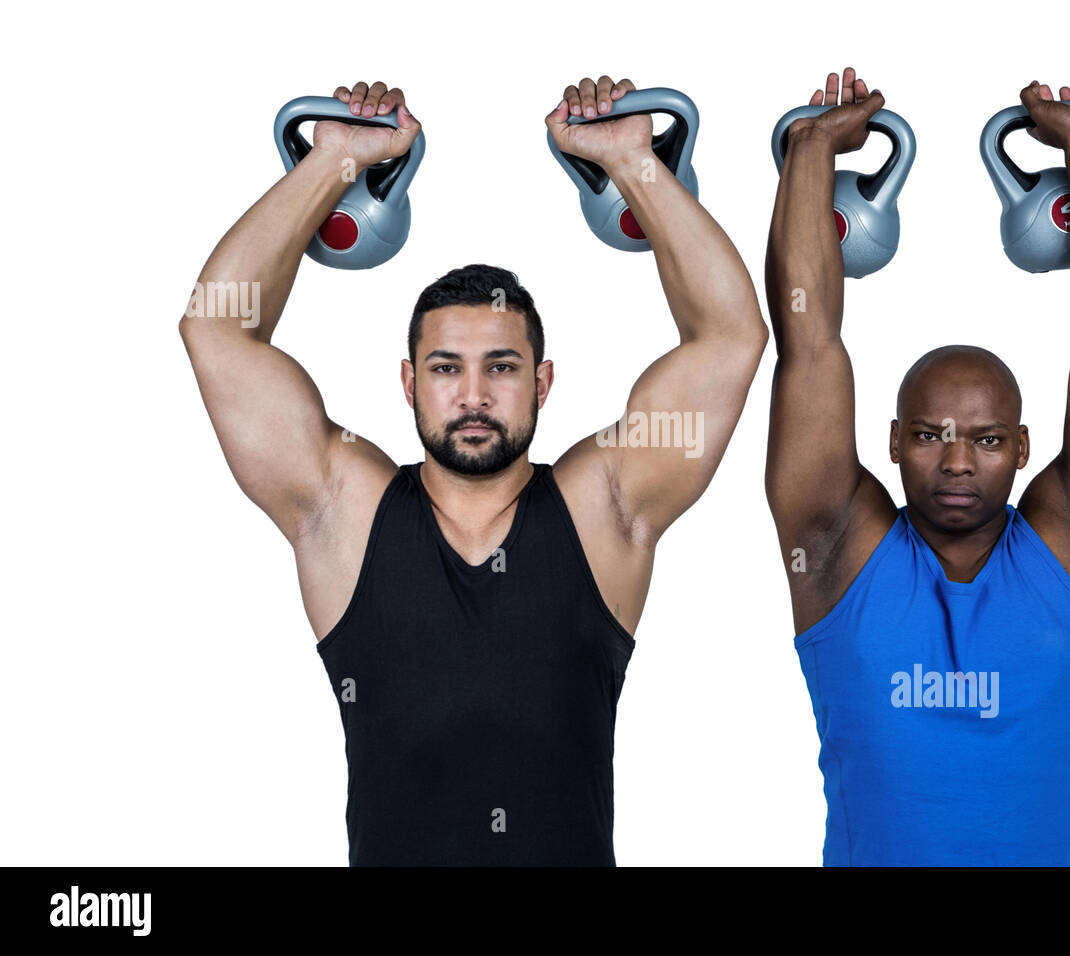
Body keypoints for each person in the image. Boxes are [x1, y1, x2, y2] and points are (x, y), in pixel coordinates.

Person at [179, 77, 768, 865]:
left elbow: (732, 337)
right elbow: (216, 329)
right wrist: (333, 164)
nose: (475, 395)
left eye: (502, 366)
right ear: (409, 383)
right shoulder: (344, 511)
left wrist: (633, 163)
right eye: (447, 369)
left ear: (543, 383)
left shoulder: (605, 506)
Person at [764, 68, 1070, 865]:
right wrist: (809, 149)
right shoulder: (836, 552)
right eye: (929, 435)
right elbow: (807, 343)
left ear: (1021, 448)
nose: (954, 461)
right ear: (892, 442)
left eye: (983, 440)